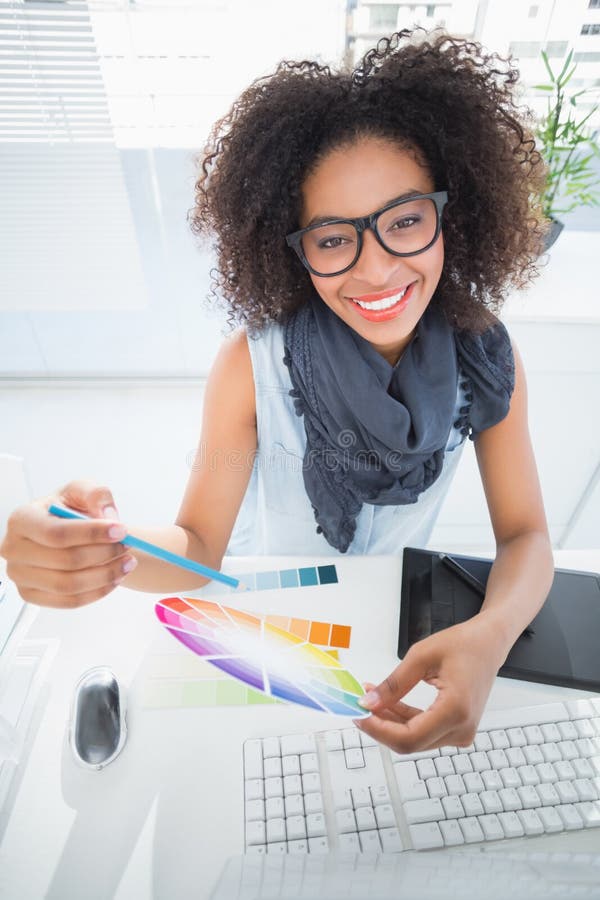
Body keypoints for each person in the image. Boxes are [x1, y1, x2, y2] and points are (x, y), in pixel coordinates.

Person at [0, 29, 554, 753]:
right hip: (274, 608)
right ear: (293, 251)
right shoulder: (252, 366)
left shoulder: (486, 358)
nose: (378, 270)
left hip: (387, 611)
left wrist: (489, 635)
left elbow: (527, 537)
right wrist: (108, 548)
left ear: (453, 217)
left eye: (406, 221)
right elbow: (199, 543)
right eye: (333, 239)